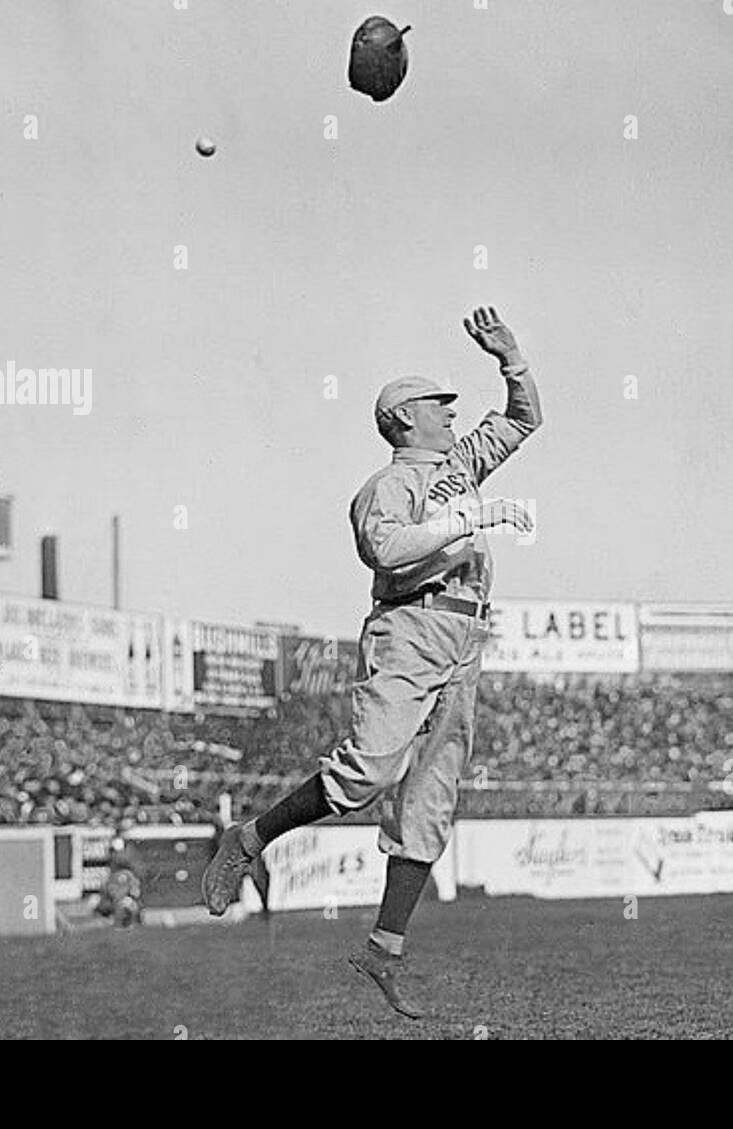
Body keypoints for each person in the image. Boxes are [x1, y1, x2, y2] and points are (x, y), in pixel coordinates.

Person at [201, 307, 542, 1018]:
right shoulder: (386, 485)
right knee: (365, 773)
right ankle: (251, 837)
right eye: (438, 408)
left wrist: (510, 355)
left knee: (431, 800)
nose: (452, 416)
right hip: (411, 625)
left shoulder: (460, 464)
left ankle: (384, 949)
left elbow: (523, 417)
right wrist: (471, 518)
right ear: (403, 420)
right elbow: (386, 550)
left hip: (465, 639)